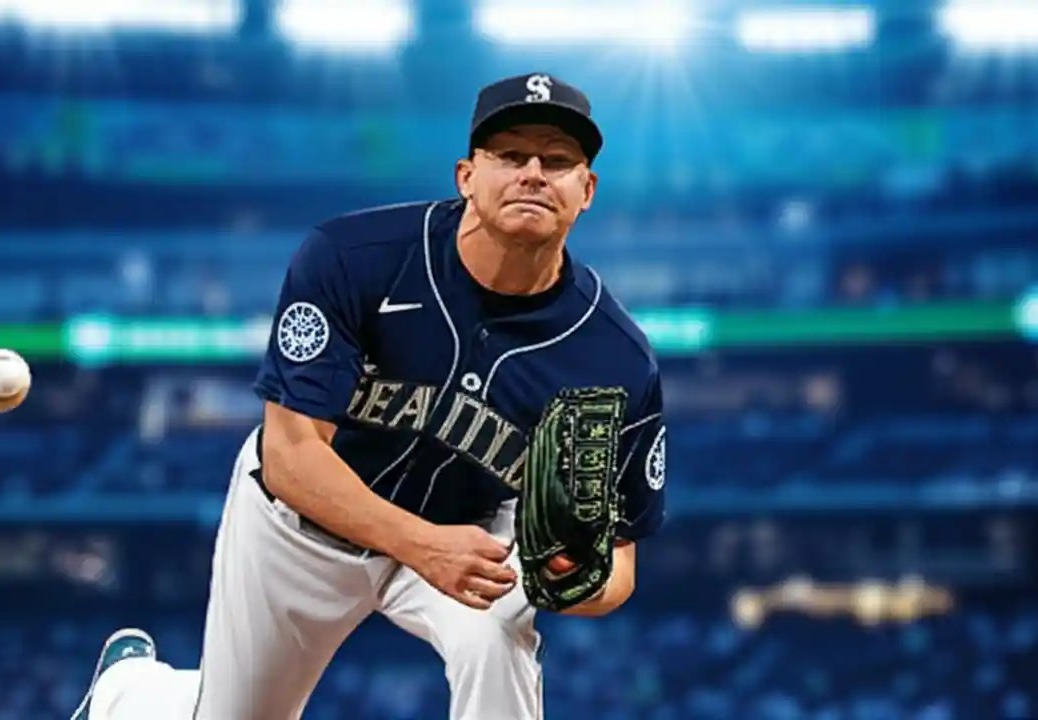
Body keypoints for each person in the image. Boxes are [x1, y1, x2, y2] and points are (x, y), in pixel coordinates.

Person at [71, 71, 668, 720]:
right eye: (510, 154)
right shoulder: (355, 258)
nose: (532, 172)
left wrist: (570, 576)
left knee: (497, 637)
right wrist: (422, 544)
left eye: (557, 160)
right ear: (467, 175)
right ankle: (129, 693)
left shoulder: (614, 357)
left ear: (587, 190)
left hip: (468, 535)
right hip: (301, 529)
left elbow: (620, 562)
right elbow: (291, 455)